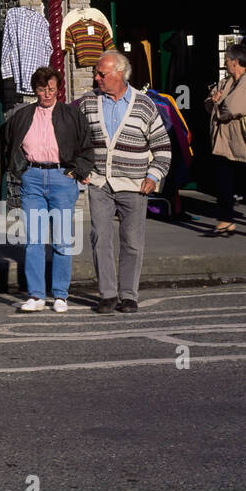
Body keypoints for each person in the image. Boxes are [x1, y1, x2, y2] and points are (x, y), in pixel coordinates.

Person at [77, 50, 172, 313]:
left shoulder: (144, 105)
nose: (97, 78)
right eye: (97, 73)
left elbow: (163, 146)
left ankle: (129, 295)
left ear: (120, 74)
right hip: (99, 184)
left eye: (101, 73)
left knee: (132, 241)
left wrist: (154, 176)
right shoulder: (88, 103)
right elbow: (77, 143)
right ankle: (107, 294)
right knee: (100, 238)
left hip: (134, 184)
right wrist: (79, 170)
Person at [0, 66, 95, 313]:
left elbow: (87, 145)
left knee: (62, 240)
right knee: (34, 240)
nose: (47, 94)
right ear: (35, 90)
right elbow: (6, 140)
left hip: (62, 178)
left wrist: (77, 172)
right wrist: (17, 169)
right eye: (42, 90)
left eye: (51, 89)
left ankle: (61, 295)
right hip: (32, 178)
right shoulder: (23, 116)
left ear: (58, 88)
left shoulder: (71, 115)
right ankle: (36, 296)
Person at [206, 43, 246, 238]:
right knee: (223, 181)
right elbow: (209, 102)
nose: (225, 62)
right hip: (225, 141)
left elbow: (232, 108)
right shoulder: (226, 82)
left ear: (235, 62)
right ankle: (227, 220)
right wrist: (214, 101)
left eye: (227, 59)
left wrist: (217, 103)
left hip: (244, 141)